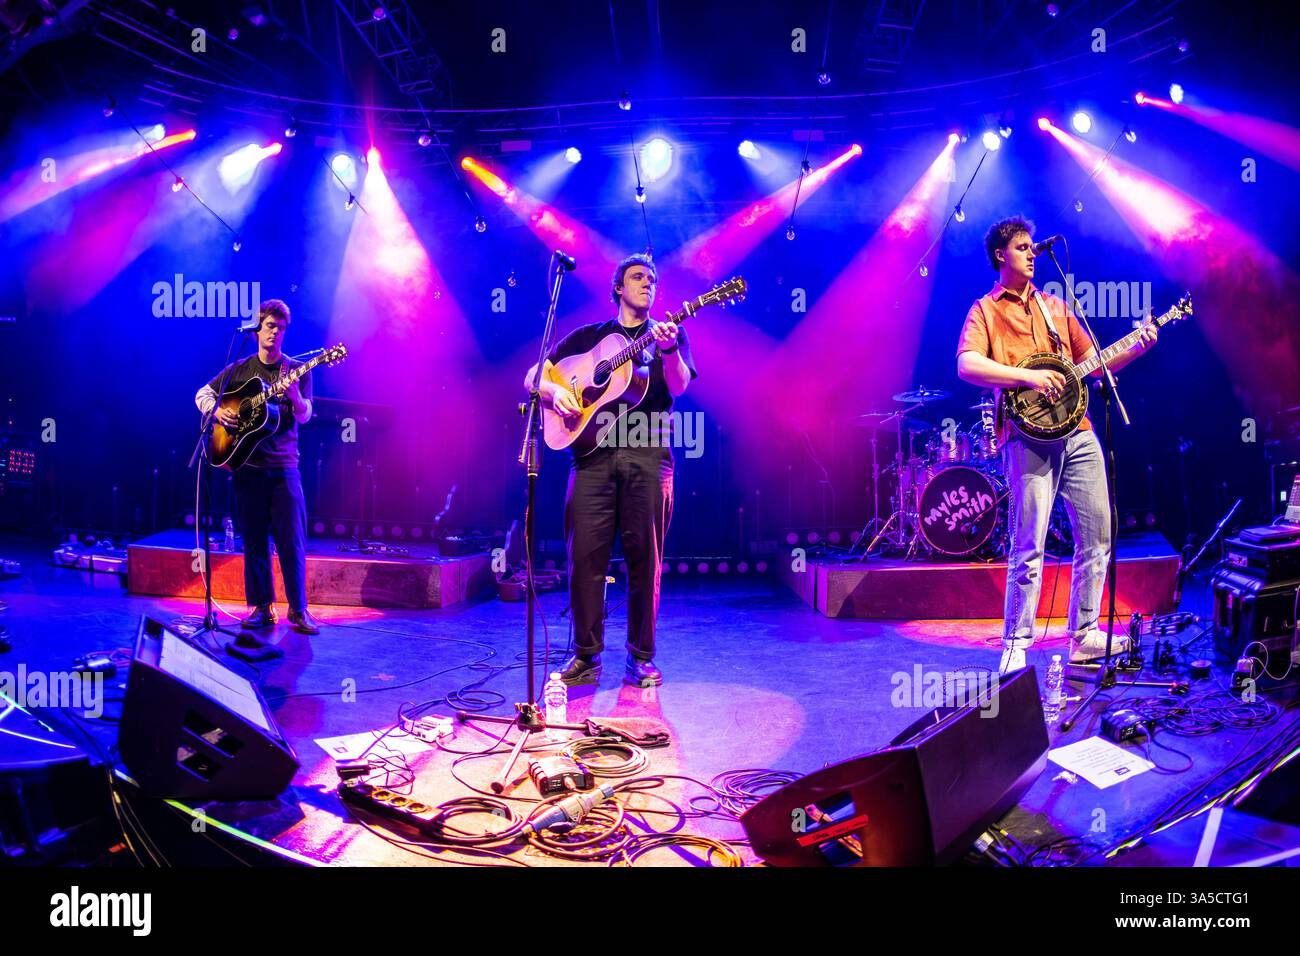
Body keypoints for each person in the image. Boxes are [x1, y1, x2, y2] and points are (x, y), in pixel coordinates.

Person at [956, 217, 1157, 674]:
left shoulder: (1055, 307)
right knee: (1029, 542)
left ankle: (1084, 633)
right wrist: (1028, 376)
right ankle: (1017, 641)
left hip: (1078, 428)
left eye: (1033, 247)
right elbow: (967, 365)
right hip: (1026, 436)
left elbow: (1093, 363)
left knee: (1099, 533)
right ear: (999, 256)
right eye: (1023, 247)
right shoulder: (985, 310)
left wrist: (1137, 346)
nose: (1032, 253)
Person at [524, 253, 697, 687]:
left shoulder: (667, 335)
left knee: (645, 561)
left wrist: (671, 348)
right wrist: (552, 391)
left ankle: (641, 656)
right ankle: (585, 656)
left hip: (647, 452)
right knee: (584, 558)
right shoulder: (589, 338)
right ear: (618, 287)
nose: (648, 283)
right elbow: (532, 376)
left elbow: (679, 386)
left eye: (653, 278)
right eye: (638, 277)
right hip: (590, 458)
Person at [195, 298, 321, 642]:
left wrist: (294, 397)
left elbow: (306, 414)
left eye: (280, 328)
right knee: (253, 541)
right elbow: (203, 393)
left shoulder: (296, 369)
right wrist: (218, 411)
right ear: (257, 330)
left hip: (284, 468)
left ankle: (298, 609)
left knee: (291, 540)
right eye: (269, 326)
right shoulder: (240, 369)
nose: (275, 333)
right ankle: (261, 607)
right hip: (246, 466)